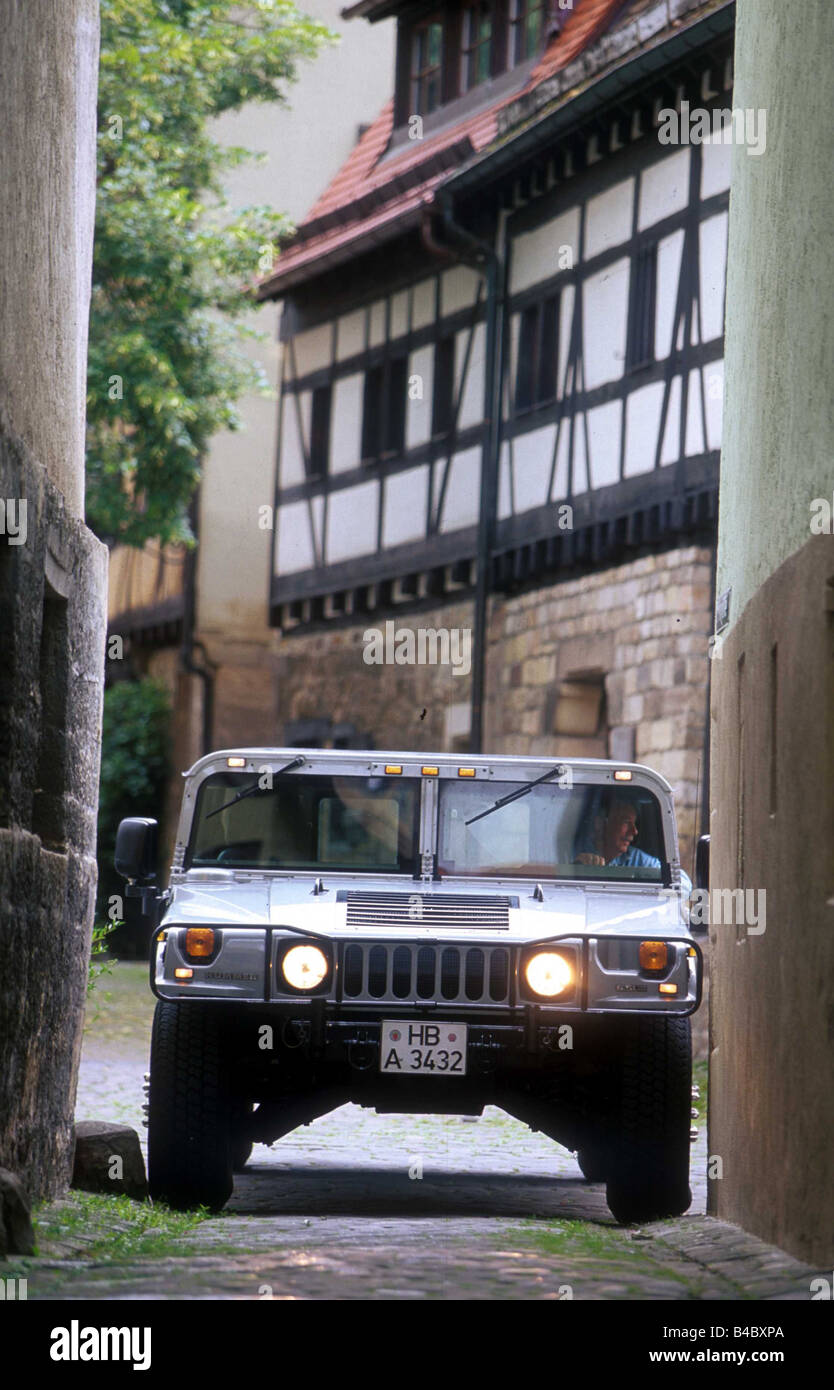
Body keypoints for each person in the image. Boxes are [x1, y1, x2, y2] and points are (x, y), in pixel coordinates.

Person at [574, 795, 661, 869]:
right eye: (626, 822)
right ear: (599, 823)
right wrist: (577, 867)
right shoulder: (574, 853)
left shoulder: (643, 862)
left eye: (634, 824)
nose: (634, 831)